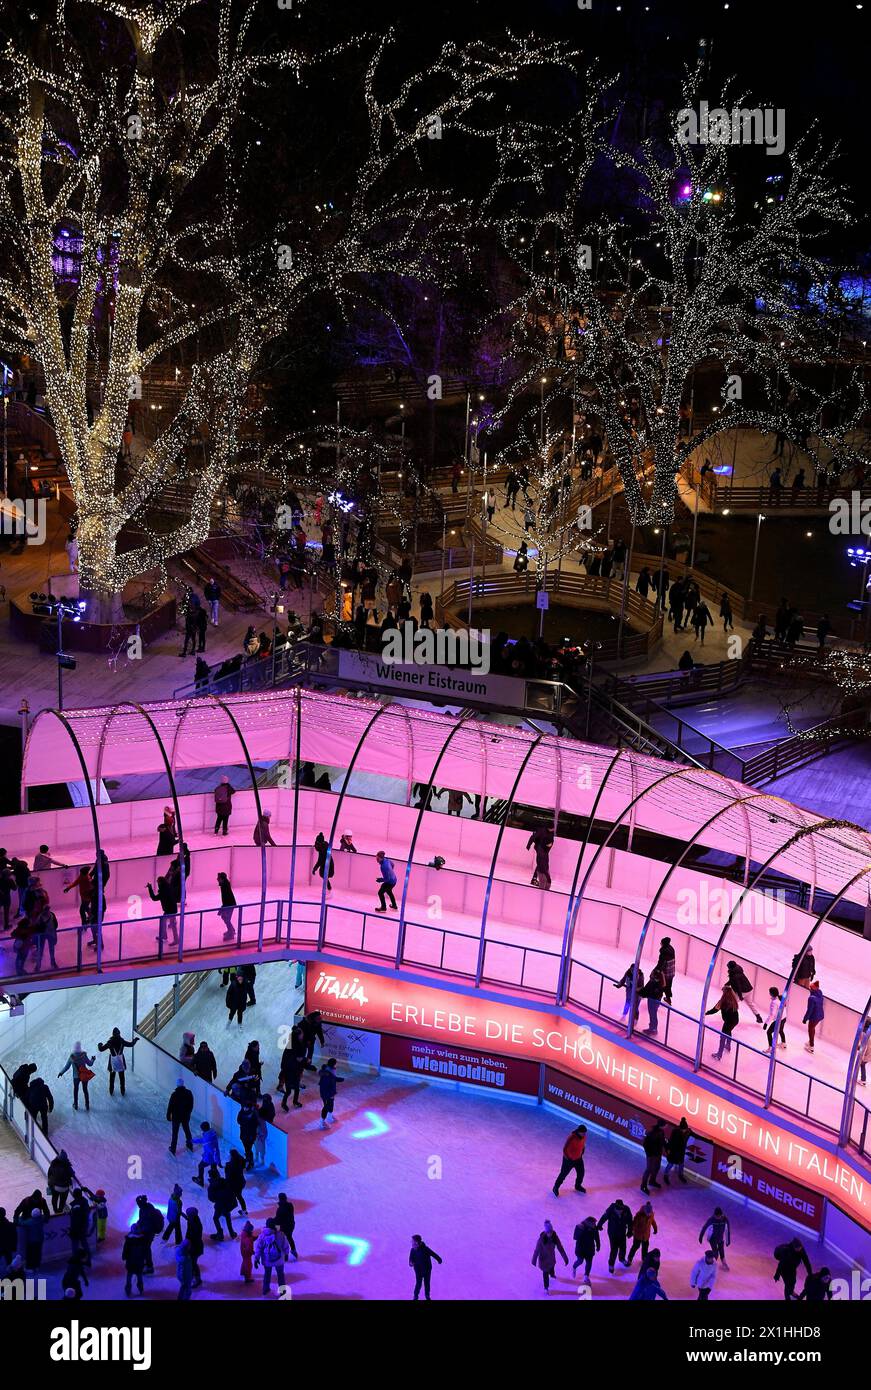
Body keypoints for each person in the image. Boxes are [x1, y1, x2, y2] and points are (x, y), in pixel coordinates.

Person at [98, 1027, 138, 1097]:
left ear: (113, 1034)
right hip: (120, 1061)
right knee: (122, 1077)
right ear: (119, 1033)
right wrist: (135, 1040)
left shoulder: (110, 1042)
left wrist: (100, 1044)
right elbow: (131, 1044)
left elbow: (101, 1049)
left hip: (113, 1062)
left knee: (112, 1077)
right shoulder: (122, 1041)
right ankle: (122, 1091)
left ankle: (111, 1091)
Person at [255, 1218, 290, 1295]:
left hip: (267, 1260)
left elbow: (258, 1248)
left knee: (267, 1274)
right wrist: (286, 1254)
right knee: (280, 1275)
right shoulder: (280, 1235)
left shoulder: (262, 1236)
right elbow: (285, 1245)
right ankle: (282, 1292)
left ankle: (265, 1289)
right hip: (279, 1260)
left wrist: (256, 1259)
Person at [58, 1041, 96, 1112]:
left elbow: (67, 1067)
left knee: (76, 1090)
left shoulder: (71, 1057)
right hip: (84, 1075)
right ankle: (87, 1105)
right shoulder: (84, 1055)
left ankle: (75, 1104)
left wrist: (61, 1073)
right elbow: (90, 1064)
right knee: (85, 1090)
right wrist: (93, 1059)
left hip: (76, 1076)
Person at [531, 1220, 568, 1294]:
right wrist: (534, 1259)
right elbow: (537, 1250)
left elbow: (560, 1247)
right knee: (545, 1273)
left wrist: (565, 1257)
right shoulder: (541, 1240)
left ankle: (552, 1274)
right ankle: (546, 1287)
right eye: (548, 1232)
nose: (550, 1234)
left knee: (552, 1266)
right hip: (543, 1259)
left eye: (551, 1232)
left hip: (551, 1257)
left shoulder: (555, 1237)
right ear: (546, 1232)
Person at [597, 1199, 633, 1274]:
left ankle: (622, 1259)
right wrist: (599, 1225)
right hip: (612, 1233)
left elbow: (630, 1221)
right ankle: (611, 1264)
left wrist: (630, 1231)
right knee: (614, 1250)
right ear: (615, 1208)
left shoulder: (626, 1210)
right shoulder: (611, 1209)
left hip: (622, 1232)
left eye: (621, 1209)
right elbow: (604, 1217)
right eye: (618, 1209)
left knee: (623, 1247)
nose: (620, 1211)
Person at [706, 983, 740, 1060]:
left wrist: (706, 1013)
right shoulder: (733, 1000)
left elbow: (714, 1010)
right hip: (735, 1020)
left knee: (723, 1036)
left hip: (728, 1021)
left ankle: (719, 1054)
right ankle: (728, 1045)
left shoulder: (723, 1001)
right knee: (728, 1031)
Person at [552, 1125, 587, 1195]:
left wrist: (582, 1152)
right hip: (569, 1160)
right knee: (563, 1174)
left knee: (581, 1173)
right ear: (579, 1131)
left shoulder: (584, 1137)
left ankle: (578, 1186)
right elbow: (565, 1149)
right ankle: (555, 1187)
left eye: (585, 1133)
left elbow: (583, 1145)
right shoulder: (572, 1137)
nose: (584, 1134)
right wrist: (568, 1158)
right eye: (583, 1133)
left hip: (578, 1159)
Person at [726, 959, 764, 1024]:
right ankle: (758, 1016)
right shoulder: (738, 970)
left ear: (730, 967)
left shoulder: (734, 974)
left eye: (728, 966)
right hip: (748, 989)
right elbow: (733, 981)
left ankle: (731, 1017)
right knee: (750, 1004)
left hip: (743, 991)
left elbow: (738, 986)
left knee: (733, 1003)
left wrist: (740, 996)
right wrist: (727, 984)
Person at [147, 875, 179, 947]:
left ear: (160, 883)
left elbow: (154, 898)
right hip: (171, 909)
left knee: (171, 924)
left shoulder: (163, 891)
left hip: (170, 910)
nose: (157, 883)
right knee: (165, 922)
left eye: (158, 882)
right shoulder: (167, 888)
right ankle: (165, 936)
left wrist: (150, 888)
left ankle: (175, 939)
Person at [207, 1165, 237, 1240]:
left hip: (219, 1205)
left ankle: (220, 1234)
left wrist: (217, 1199)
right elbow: (231, 1190)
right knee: (227, 1217)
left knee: (215, 1218)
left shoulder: (211, 1186)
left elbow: (211, 1198)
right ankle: (232, 1233)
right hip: (227, 1204)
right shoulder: (224, 1181)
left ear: (211, 1176)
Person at [166, 1077, 195, 1155]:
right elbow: (191, 1105)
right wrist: (188, 1113)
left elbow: (170, 1106)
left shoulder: (174, 1094)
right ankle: (190, 1145)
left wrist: (168, 1115)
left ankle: (173, 1149)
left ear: (177, 1085)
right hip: (185, 1116)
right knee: (187, 1131)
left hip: (176, 1117)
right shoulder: (189, 1093)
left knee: (175, 1133)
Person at [409, 1233, 442, 1300]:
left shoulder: (425, 1249)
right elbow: (410, 1259)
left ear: (417, 1242)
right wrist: (411, 1263)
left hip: (427, 1269)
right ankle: (415, 1296)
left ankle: (427, 1295)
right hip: (418, 1270)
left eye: (412, 1241)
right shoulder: (412, 1250)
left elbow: (433, 1254)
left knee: (427, 1283)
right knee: (418, 1283)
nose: (411, 1243)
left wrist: (439, 1259)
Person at [571, 1216, 600, 1284]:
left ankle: (586, 1276)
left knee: (589, 1263)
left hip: (590, 1249)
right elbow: (575, 1237)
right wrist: (580, 1230)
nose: (594, 1225)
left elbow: (597, 1237)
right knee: (580, 1261)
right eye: (593, 1223)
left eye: (594, 1223)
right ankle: (574, 1267)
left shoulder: (594, 1228)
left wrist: (598, 1245)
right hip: (580, 1249)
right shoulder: (580, 1227)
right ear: (588, 1223)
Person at [663, 1117, 692, 1185]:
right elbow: (671, 1142)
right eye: (683, 1130)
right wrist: (668, 1149)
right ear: (680, 1128)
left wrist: (708, 1140)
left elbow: (696, 1136)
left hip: (681, 1152)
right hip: (674, 1152)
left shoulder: (688, 1131)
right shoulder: (675, 1131)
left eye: (685, 1129)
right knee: (670, 1164)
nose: (684, 1131)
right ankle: (665, 1175)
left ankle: (680, 1175)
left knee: (681, 1164)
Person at [627, 1202, 657, 1266]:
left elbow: (653, 1221)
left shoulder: (651, 1215)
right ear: (645, 1211)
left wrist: (655, 1228)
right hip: (638, 1235)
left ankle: (644, 1258)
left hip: (646, 1236)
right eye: (647, 1213)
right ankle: (629, 1259)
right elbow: (634, 1224)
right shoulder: (639, 1216)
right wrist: (631, 1231)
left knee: (645, 1248)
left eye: (650, 1213)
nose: (649, 1215)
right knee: (635, 1247)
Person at [68, 1189, 93, 1266]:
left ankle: (75, 1261)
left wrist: (72, 1229)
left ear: (75, 1195)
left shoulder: (77, 1205)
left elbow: (76, 1217)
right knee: (84, 1243)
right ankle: (88, 1259)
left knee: (75, 1244)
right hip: (83, 1227)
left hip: (77, 1228)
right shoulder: (84, 1202)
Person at [640, 1119, 666, 1193]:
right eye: (665, 1125)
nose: (666, 1126)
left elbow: (662, 1141)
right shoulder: (652, 1133)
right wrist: (649, 1154)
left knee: (657, 1167)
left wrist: (667, 1149)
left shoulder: (661, 1132)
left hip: (658, 1154)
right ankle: (643, 1186)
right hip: (651, 1155)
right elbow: (645, 1144)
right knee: (649, 1169)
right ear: (662, 1125)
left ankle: (652, 1181)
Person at [640, 966, 666, 1036]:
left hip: (654, 999)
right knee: (652, 1013)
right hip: (654, 998)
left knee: (653, 1013)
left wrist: (642, 993)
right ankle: (652, 1028)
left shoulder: (656, 981)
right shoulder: (657, 978)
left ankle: (653, 1029)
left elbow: (650, 989)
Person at [122, 1224, 148, 1296]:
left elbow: (125, 1249)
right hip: (139, 1262)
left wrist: (124, 1256)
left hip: (130, 1262)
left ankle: (128, 1289)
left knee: (129, 1276)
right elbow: (145, 1251)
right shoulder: (142, 1240)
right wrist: (145, 1259)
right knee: (139, 1276)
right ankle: (140, 1288)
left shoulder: (129, 1240)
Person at [318, 1056, 344, 1128]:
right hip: (327, 1094)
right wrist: (330, 1094)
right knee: (326, 1107)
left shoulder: (330, 1071)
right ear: (333, 1064)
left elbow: (333, 1079)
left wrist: (339, 1079)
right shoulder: (328, 1074)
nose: (336, 1065)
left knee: (331, 1104)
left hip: (329, 1093)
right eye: (336, 1064)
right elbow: (327, 1085)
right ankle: (322, 1123)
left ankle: (330, 1117)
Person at [527, 824, 554, 891]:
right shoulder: (542, 831)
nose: (553, 830)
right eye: (552, 828)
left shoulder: (550, 832)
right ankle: (534, 879)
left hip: (544, 849)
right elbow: (533, 837)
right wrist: (528, 845)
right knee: (541, 863)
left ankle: (535, 878)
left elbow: (550, 840)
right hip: (540, 848)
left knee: (542, 863)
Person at [183, 1207, 204, 1288]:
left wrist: (189, 1245)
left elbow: (194, 1237)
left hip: (195, 1247)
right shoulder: (192, 1220)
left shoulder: (196, 1225)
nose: (188, 1216)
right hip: (192, 1246)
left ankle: (197, 1279)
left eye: (188, 1214)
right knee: (191, 1263)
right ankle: (193, 1276)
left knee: (193, 1263)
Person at [274, 1194, 299, 1260]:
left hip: (284, 1227)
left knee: (283, 1240)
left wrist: (277, 1230)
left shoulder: (280, 1209)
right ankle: (293, 1250)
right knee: (289, 1237)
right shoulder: (290, 1206)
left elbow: (278, 1220)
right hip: (291, 1225)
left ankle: (286, 1255)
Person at [803, 981, 825, 1053]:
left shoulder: (811, 998)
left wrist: (805, 1019)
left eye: (810, 988)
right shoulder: (820, 992)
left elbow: (810, 1010)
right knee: (812, 1028)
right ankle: (810, 1041)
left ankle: (811, 1046)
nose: (809, 989)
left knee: (810, 1029)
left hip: (814, 1016)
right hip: (820, 1015)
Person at [764, 986, 788, 1051]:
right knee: (780, 1030)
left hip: (779, 1019)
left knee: (769, 1032)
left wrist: (766, 1023)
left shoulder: (774, 1002)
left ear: (771, 993)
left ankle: (771, 1047)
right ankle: (783, 1043)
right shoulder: (780, 998)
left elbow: (772, 1014)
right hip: (784, 1018)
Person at [225, 1149, 248, 1213]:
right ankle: (244, 1210)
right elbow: (244, 1165)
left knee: (232, 1198)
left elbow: (228, 1177)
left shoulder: (230, 1166)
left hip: (234, 1184)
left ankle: (226, 1211)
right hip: (241, 1182)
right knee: (239, 1196)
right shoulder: (240, 1160)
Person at [237, 1103, 259, 1169]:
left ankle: (249, 1161)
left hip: (250, 1135)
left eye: (246, 1107)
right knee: (247, 1149)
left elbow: (255, 1125)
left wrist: (246, 1123)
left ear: (249, 1108)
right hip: (243, 1134)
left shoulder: (253, 1114)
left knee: (248, 1149)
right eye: (244, 1107)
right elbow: (238, 1120)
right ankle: (249, 1160)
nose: (245, 1108)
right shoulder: (241, 1112)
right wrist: (245, 1122)